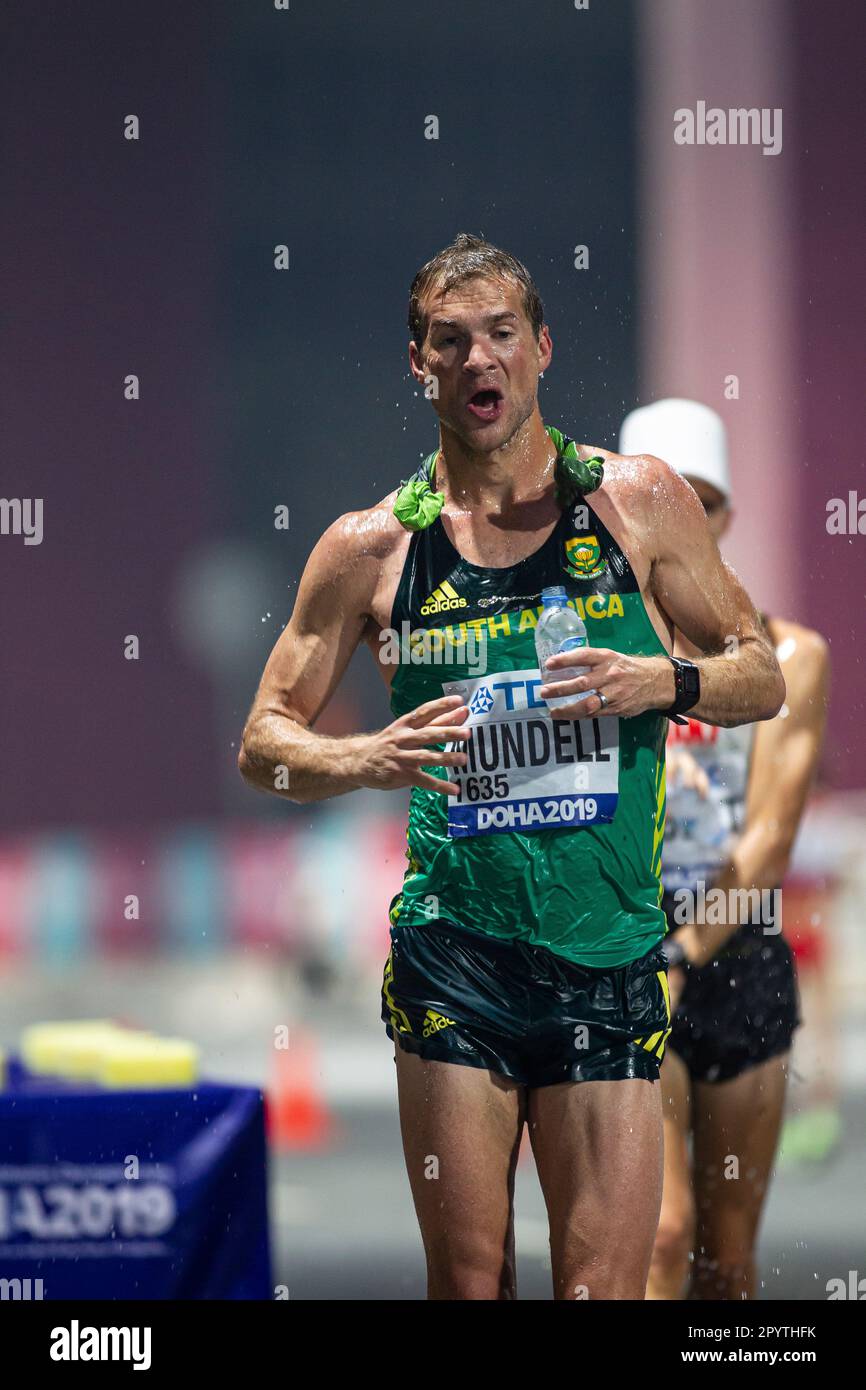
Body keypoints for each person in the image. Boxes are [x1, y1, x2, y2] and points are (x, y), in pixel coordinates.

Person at [239, 235, 784, 1300]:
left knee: (600, 1288)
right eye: (451, 341)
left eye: (498, 335)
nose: (478, 360)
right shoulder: (369, 548)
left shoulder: (637, 501)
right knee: (470, 1282)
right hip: (458, 958)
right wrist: (364, 756)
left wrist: (657, 683)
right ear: (419, 365)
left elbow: (756, 669)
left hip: (608, 950)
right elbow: (264, 741)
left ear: (540, 349)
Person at [619, 398, 829, 1300]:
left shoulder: (790, 656)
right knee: (661, 1238)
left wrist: (685, 951)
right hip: (629, 946)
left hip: (735, 947)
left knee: (727, 1260)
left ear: (728, 517)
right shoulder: (596, 656)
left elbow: (771, 840)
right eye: (659, 501)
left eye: (699, 503)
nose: (682, 523)